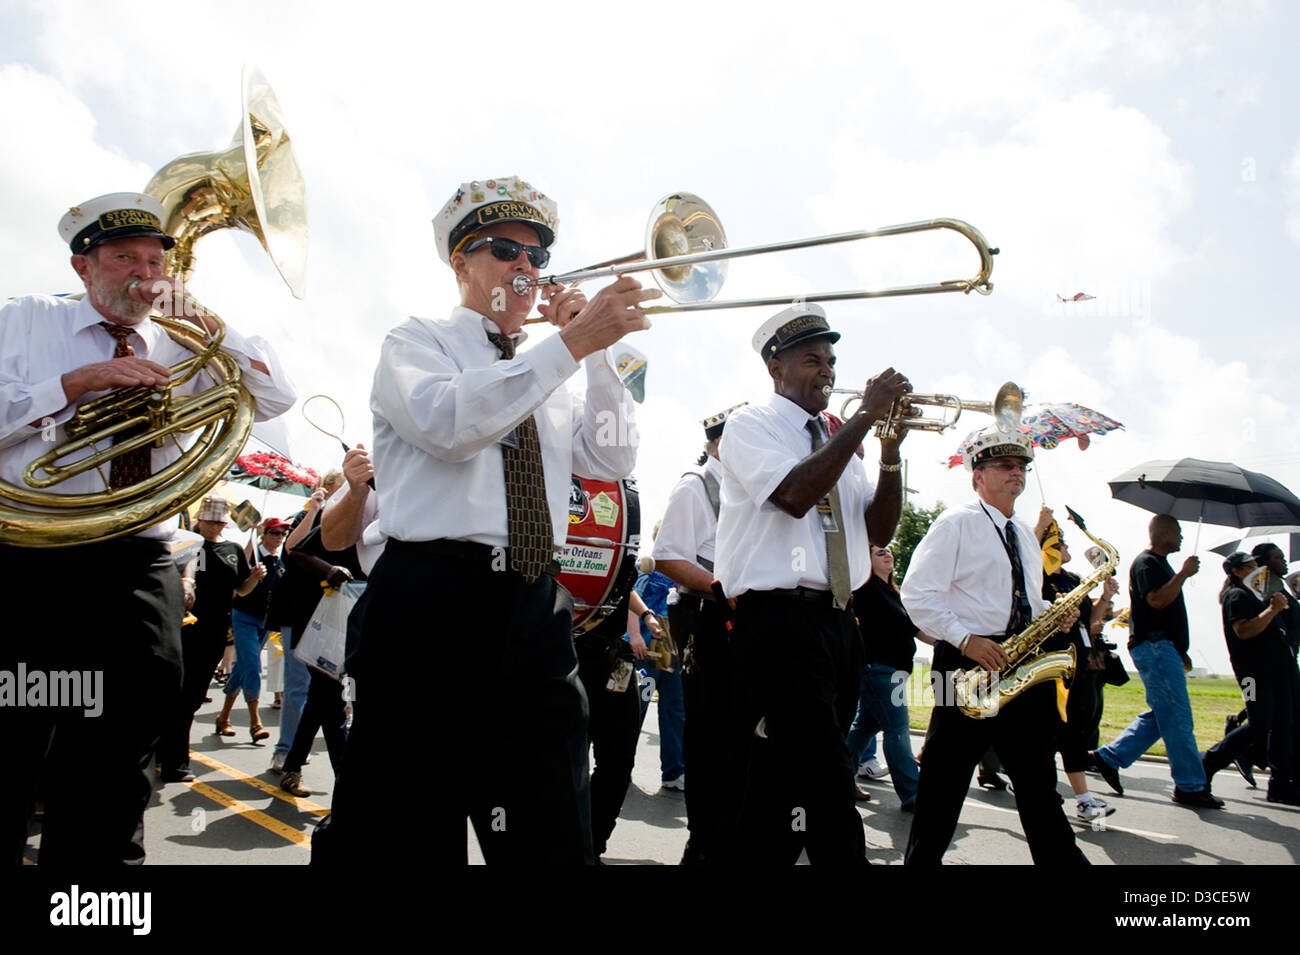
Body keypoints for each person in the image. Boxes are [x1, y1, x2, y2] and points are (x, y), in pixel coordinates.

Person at [317, 176, 655, 866]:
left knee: (555, 832)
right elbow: (451, 423)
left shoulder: (551, 363)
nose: (526, 269)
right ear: (460, 262)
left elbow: (614, 455)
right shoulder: (417, 342)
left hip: (533, 604)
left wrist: (594, 359)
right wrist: (564, 348)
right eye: (506, 250)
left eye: (537, 257)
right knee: (401, 833)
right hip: (430, 601)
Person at [0, 192, 294, 864]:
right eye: (125, 257)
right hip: (33, 559)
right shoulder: (25, 318)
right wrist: (79, 382)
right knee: (15, 739)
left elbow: (277, 394)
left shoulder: (183, 340)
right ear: (84, 266)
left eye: (158, 259)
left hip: (136, 564)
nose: (145, 272)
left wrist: (209, 319)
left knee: (119, 753)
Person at [716, 303, 911, 865]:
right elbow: (794, 496)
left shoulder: (835, 437)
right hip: (777, 621)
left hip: (838, 621)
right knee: (828, 780)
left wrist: (891, 454)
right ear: (775, 367)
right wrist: (865, 420)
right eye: (811, 360)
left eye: (830, 360)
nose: (827, 370)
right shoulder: (750, 426)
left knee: (781, 780)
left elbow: (875, 530)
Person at [900, 426, 1088, 865]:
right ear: (976, 476)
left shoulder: (1023, 533)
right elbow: (917, 593)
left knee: (1039, 785)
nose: (1016, 473)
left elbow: (1030, 599)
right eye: (1004, 466)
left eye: (1021, 466)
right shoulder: (956, 522)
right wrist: (968, 640)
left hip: (1022, 659)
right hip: (966, 663)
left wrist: (1056, 614)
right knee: (944, 785)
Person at [650, 403, 745, 863]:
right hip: (708, 619)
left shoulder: (748, 487)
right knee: (711, 742)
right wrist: (721, 588)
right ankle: (704, 848)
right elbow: (667, 556)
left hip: (743, 622)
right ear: (724, 442)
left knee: (739, 745)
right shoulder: (697, 485)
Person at [1089, 515, 1223, 808]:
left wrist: (1180, 648)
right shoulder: (1147, 563)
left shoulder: (1161, 564)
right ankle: (1189, 785)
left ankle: (1109, 757)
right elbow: (1156, 601)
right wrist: (1184, 574)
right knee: (1177, 717)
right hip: (1154, 646)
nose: (1182, 538)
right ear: (1164, 533)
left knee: (1164, 714)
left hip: (1164, 647)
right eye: (1178, 532)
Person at [277, 447, 375, 797]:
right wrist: (329, 569)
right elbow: (295, 550)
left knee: (324, 700)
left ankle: (291, 767)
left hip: (356, 619)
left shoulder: (375, 509)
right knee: (331, 701)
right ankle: (345, 785)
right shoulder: (333, 515)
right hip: (323, 620)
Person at [156, 496, 257, 782]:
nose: (214, 526)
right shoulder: (186, 544)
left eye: (219, 521)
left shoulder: (233, 550)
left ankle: (166, 751)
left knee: (193, 696)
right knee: (177, 693)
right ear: (200, 519)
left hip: (215, 632)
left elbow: (241, 590)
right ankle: (174, 759)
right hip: (182, 626)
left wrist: (255, 579)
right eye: (209, 520)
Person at [1201, 553, 1300, 805]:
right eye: (1253, 567)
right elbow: (1243, 631)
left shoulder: (1259, 596)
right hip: (1253, 673)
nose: (1259, 570)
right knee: (1259, 723)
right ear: (1238, 571)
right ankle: (1209, 761)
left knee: (1282, 725)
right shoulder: (1237, 596)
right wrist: (1273, 610)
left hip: (1275, 671)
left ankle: (1280, 784)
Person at [845, 541, 935, 812]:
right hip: (877, 670)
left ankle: (838, 780)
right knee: (897, 729)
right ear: (866, 560)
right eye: (879, 552)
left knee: (864, 728)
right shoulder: (864, 587)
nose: (888, 554)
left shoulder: (894, 594)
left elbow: (916, 630)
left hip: (895, 671)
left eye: (889, 550)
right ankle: (913, 794)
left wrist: (956, 643)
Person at [1039, 519, 1118, 823]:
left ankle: (1079, 798)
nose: (1068, 547)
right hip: (1053, 664)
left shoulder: (1073, 579)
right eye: (1061, 543)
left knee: (1074, 730)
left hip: (1080, 664)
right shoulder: (1039, 579)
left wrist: (1105, 598)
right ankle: (1074, 798)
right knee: (1056, 731)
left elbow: (1092, 624)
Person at [271, 465, 345, 773]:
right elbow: (291, 549)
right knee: (299, 685)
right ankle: (285, 750)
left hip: (331, 614)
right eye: (343, 487)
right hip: (299, 612)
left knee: (324, 691)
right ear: (327, 489)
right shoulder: (307, 516)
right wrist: (315, 510)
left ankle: (294, 761)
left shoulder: (348, 521)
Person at [214, 518, 289, 740]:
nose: (279, 537)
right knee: (253, 667)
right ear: (264, 534)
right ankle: (255, 723)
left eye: (282, 533)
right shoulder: (251, 554)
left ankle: (224, 717)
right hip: (244, 616)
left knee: (242, 669)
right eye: (274, 532)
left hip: (265, 621)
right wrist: (254, 575)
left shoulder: (282, 559)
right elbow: (240, 579)